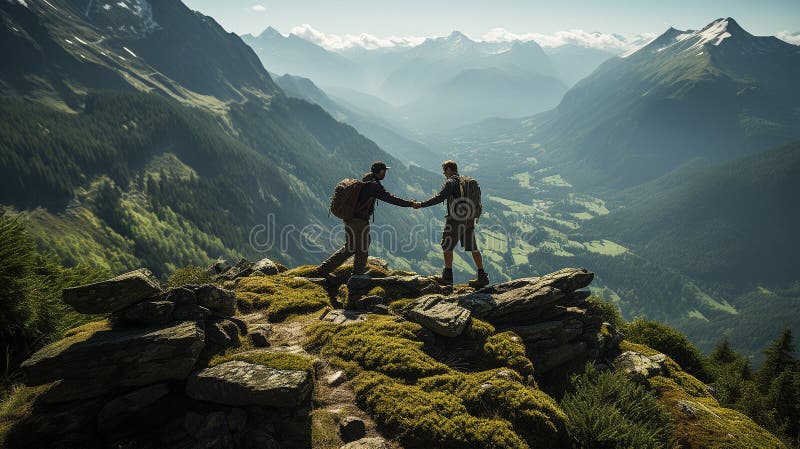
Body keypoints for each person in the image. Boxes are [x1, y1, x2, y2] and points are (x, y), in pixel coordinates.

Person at [317, 161, 415, 277]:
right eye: (384, 171)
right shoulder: (374, 186)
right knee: (363, 246)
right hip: (359, 221)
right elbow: (390, 198)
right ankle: (357, 275)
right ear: (380, 171)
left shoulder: (366, 180)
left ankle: (324, 269)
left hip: (350, 218)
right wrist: (410, 204)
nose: (385, 174)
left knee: (351, 247)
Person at [413, 160, 489, 288]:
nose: (443, 173)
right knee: (473, 247)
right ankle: (482, 276)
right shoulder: (466, 181)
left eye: (444, 170)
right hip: (469, 219)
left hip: (456, 220)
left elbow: (440, 197)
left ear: (449, 169)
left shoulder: (451, 182)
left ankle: (447, 277)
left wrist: (421, 204)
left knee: (446, 245)